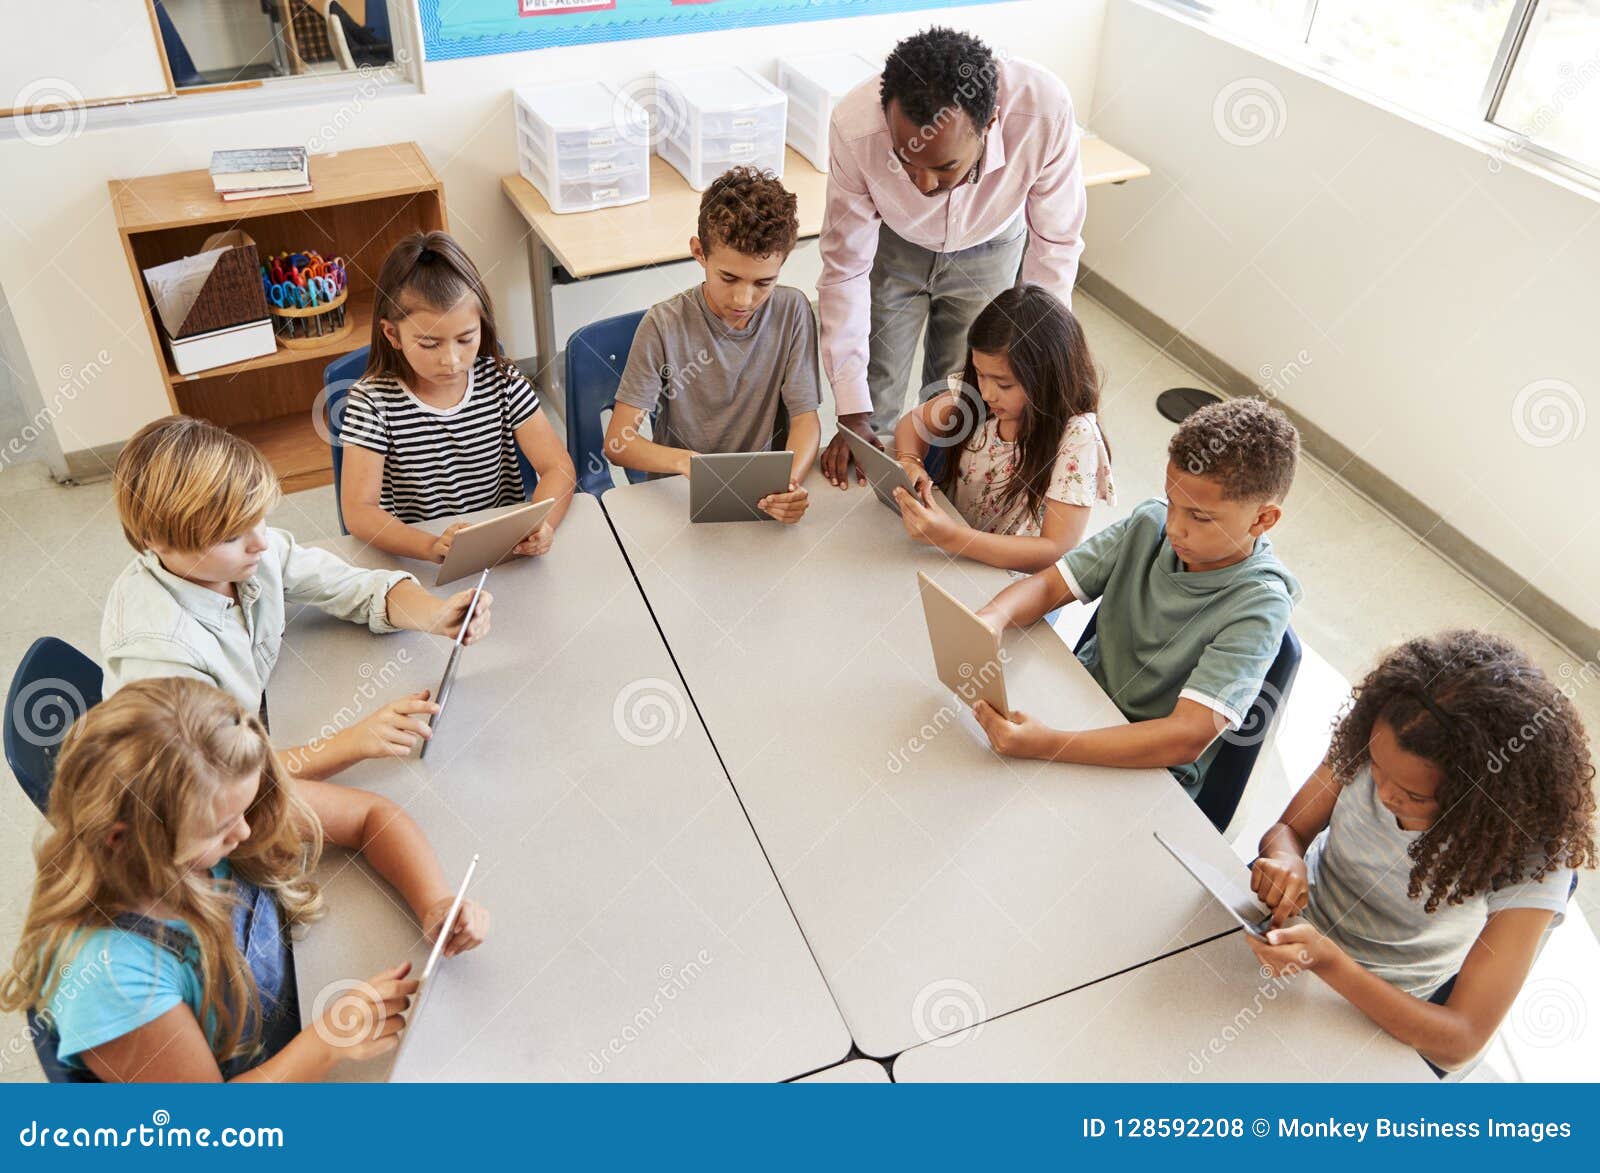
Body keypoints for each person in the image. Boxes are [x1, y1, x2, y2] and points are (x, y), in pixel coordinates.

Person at [0, 677, 490, 1081]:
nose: (246, 831)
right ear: (123, 840)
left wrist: (434, 902)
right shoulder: (112, 979)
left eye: (246, 807)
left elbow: (368, 817)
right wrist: (327, 1042)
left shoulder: (213, 794)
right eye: (220, 829)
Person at [1246, 631, 1596, 1072]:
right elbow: (1289, 830)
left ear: (1481, 798)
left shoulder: (1528, 855)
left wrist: (1328, 962)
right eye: (1376, 768)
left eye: (1413, 795)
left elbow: (1460, 1041)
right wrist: (1285, 858)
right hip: (1278, 935)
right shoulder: (1385, 739)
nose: (1384, 793)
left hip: (1372, 1012)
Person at [103, 415, 491, 778]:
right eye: (231, 536)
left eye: (257, 517)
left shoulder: (249, 553)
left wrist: (435, 614)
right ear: (155, 542)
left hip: (253, 728)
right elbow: (213, 776)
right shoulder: (157, 652)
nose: (260, 542)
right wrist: (352, 743)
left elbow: (354, 586)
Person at [972, 399, 1301, 797]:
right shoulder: (1150, 523)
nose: (1175, 528)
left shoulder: (1261, 606)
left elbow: (1185, 736)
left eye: (1199, 517)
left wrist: (1048, 745)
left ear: (1263, 519)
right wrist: (992, 618)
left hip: (1146, 775)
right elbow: (1048, 586)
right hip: (1077, 708)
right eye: (1172, 502)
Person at [817, 26, 1087, 486]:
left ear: (990, 123)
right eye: (906, 161)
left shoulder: (1043, 110)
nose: (923, 185)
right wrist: (852, 411)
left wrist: (1043, 355)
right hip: (895, 244)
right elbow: (844, 271)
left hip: (993, 244)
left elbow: (1056, 244)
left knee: (965, 397)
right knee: (874, 394)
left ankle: (941, 498)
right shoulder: (855, 125)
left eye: (945, 167)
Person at [340, 230, 575, 562]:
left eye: (465, 339)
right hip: (418, 555)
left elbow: (557, 467)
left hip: (504, 552)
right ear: (392, 334)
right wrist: (429, 546)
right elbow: (358, 511)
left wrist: (542, 525)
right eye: (429, 343)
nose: (450, 360)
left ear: (482, 324)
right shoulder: (371, 403)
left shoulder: (503, 381)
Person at [605, 166, 820, 524]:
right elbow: (618, 442)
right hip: (681, 497)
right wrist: (686, 462)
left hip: (761, 498)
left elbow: (805, 420)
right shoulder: (663, 324)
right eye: (729, 277)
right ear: (699, 252)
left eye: (763, 283)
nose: (744, 299)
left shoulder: (793, 310)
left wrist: (789, 484)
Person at [890, 285, 1113, 571]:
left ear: (1046, 379)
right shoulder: (977, 395)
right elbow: (914, 423)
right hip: (949, 551)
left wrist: (952, 537)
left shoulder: (1077, 437)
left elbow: (1056, 550)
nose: (987, 393)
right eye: (980, 374)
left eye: (1004, 384)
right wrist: (911, 462)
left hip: (1003, 575)